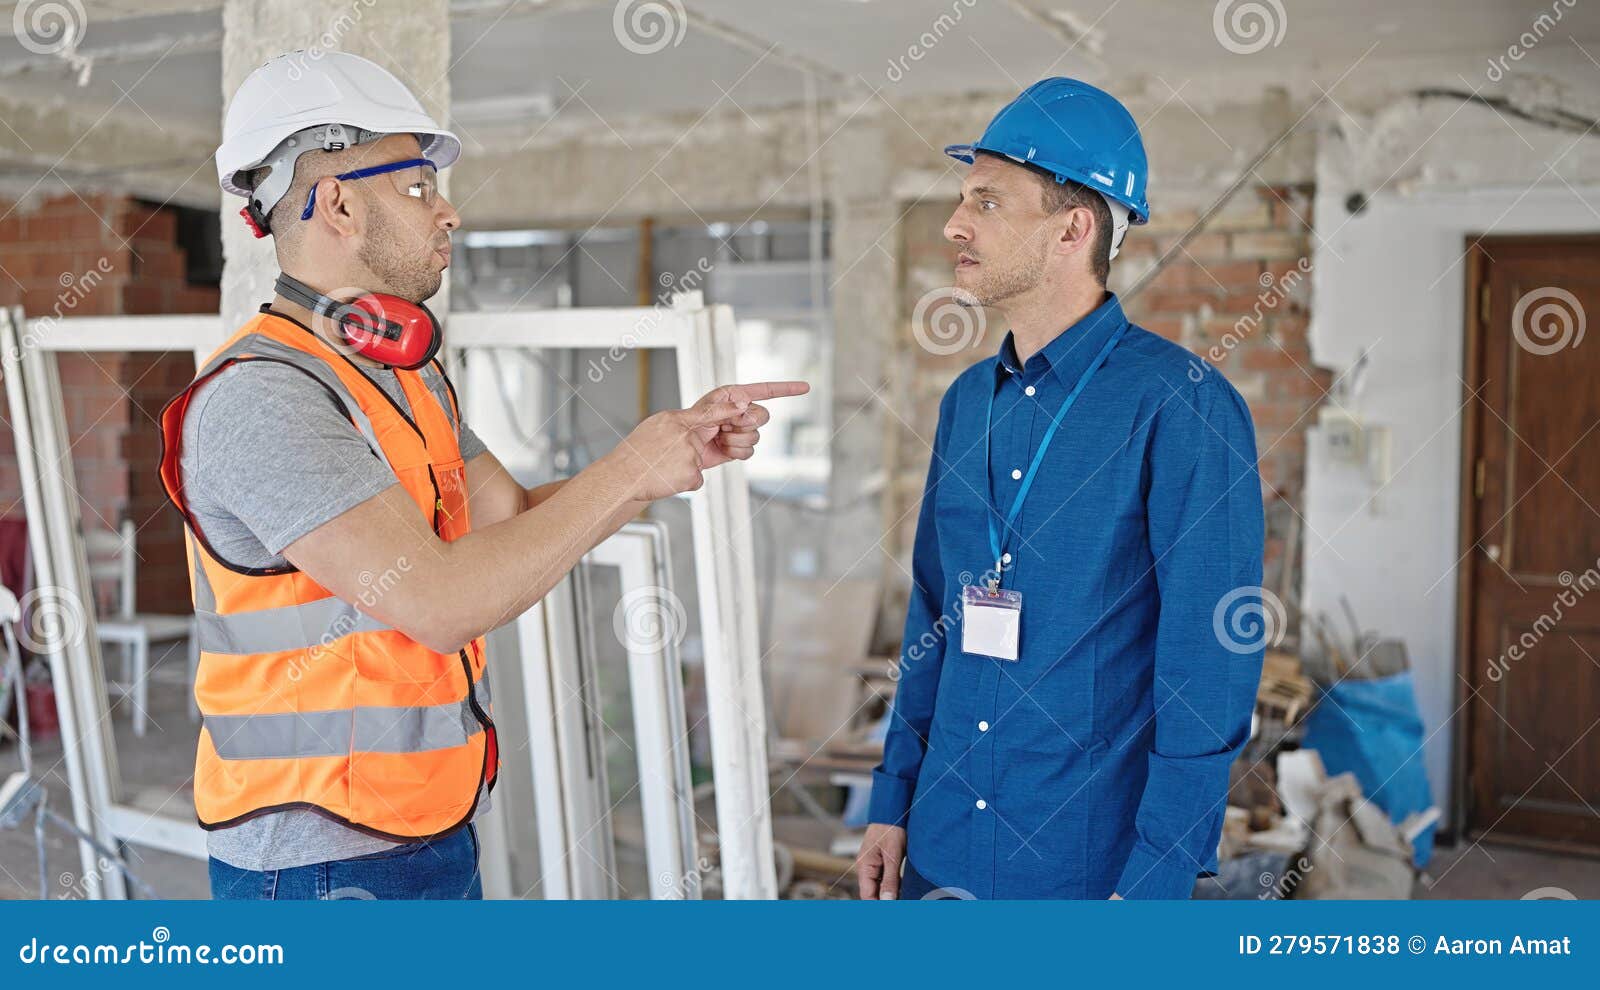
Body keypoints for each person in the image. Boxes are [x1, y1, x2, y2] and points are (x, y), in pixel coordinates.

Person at [159, 50, 806, 900]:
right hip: (318, 861)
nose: (449, 212)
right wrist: (627, 468)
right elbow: (440, 602)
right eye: (418, 186)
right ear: (338, 204)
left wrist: (660, 460)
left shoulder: (401, 376)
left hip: (429, 823)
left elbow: (506, 522)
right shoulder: (262, 400)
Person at [855, 78, 1265, 900]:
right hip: (939, 849)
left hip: (1085, 869)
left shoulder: (1181, 405)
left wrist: (1158, 880)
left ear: (1074, 228)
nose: (955, 224)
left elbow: (1209, 664)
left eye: (989, 201)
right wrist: (891, 800)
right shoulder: (967, 400)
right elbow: (934, 609)